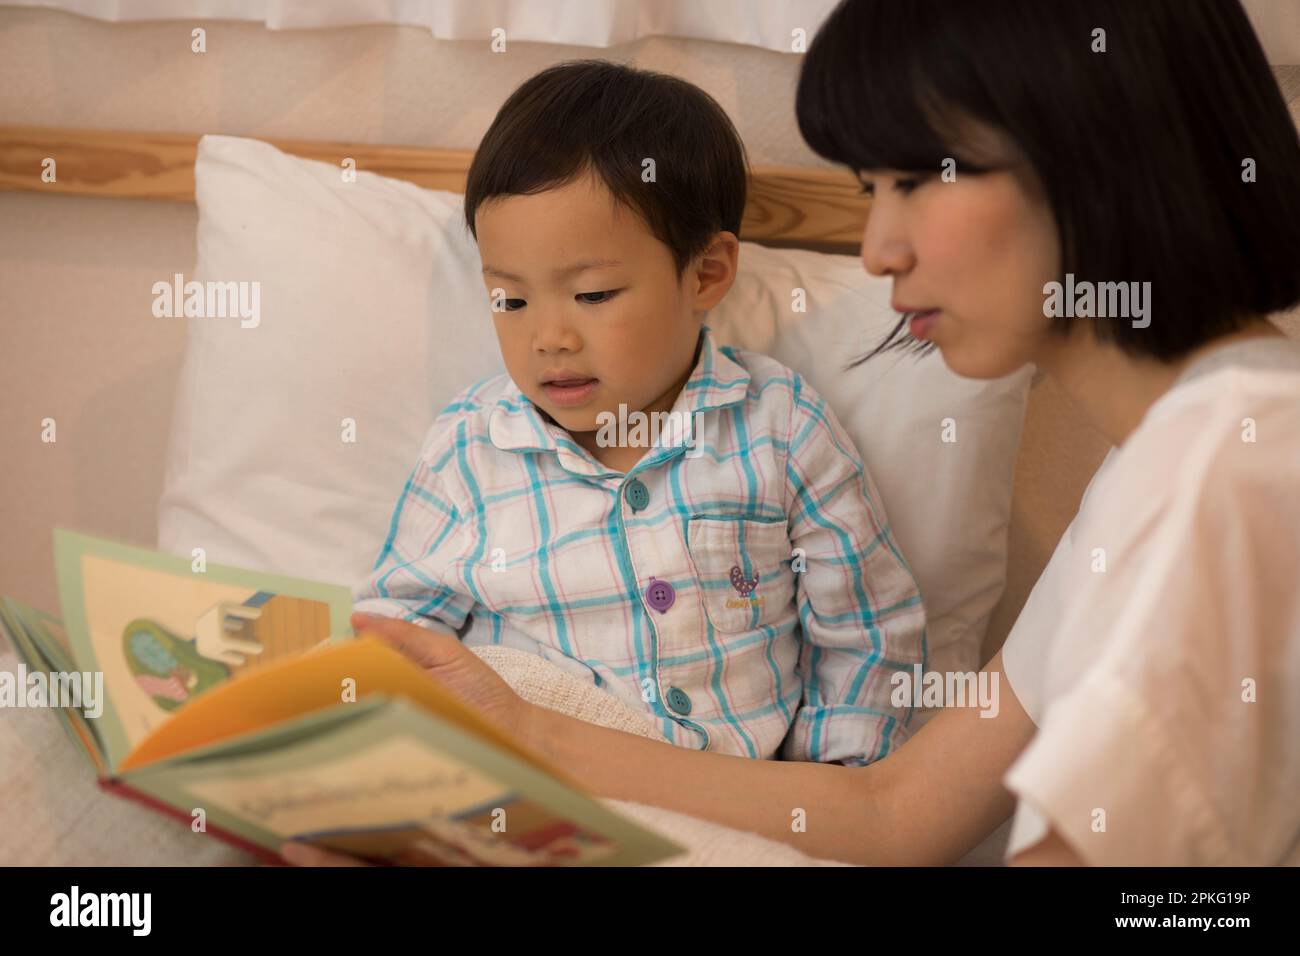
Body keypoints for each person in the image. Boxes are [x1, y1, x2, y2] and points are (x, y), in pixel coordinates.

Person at [286, 0, 1300, 867]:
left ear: (1093, 144)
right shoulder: (1174, 459)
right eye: (869, 192)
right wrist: (512, 732)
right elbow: (898, 814)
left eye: (912, 181)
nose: (876, 248)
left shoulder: (1228, 476)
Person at [351, 60, 926, 766]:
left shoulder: (779, 428)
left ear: (706, 274)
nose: (549, 338)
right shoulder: (471, 446)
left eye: (593, 296)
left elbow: (866, 635)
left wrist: (828, 794)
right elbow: (399, 631)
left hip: (731, 802)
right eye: (511, 300)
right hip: (531, 783)